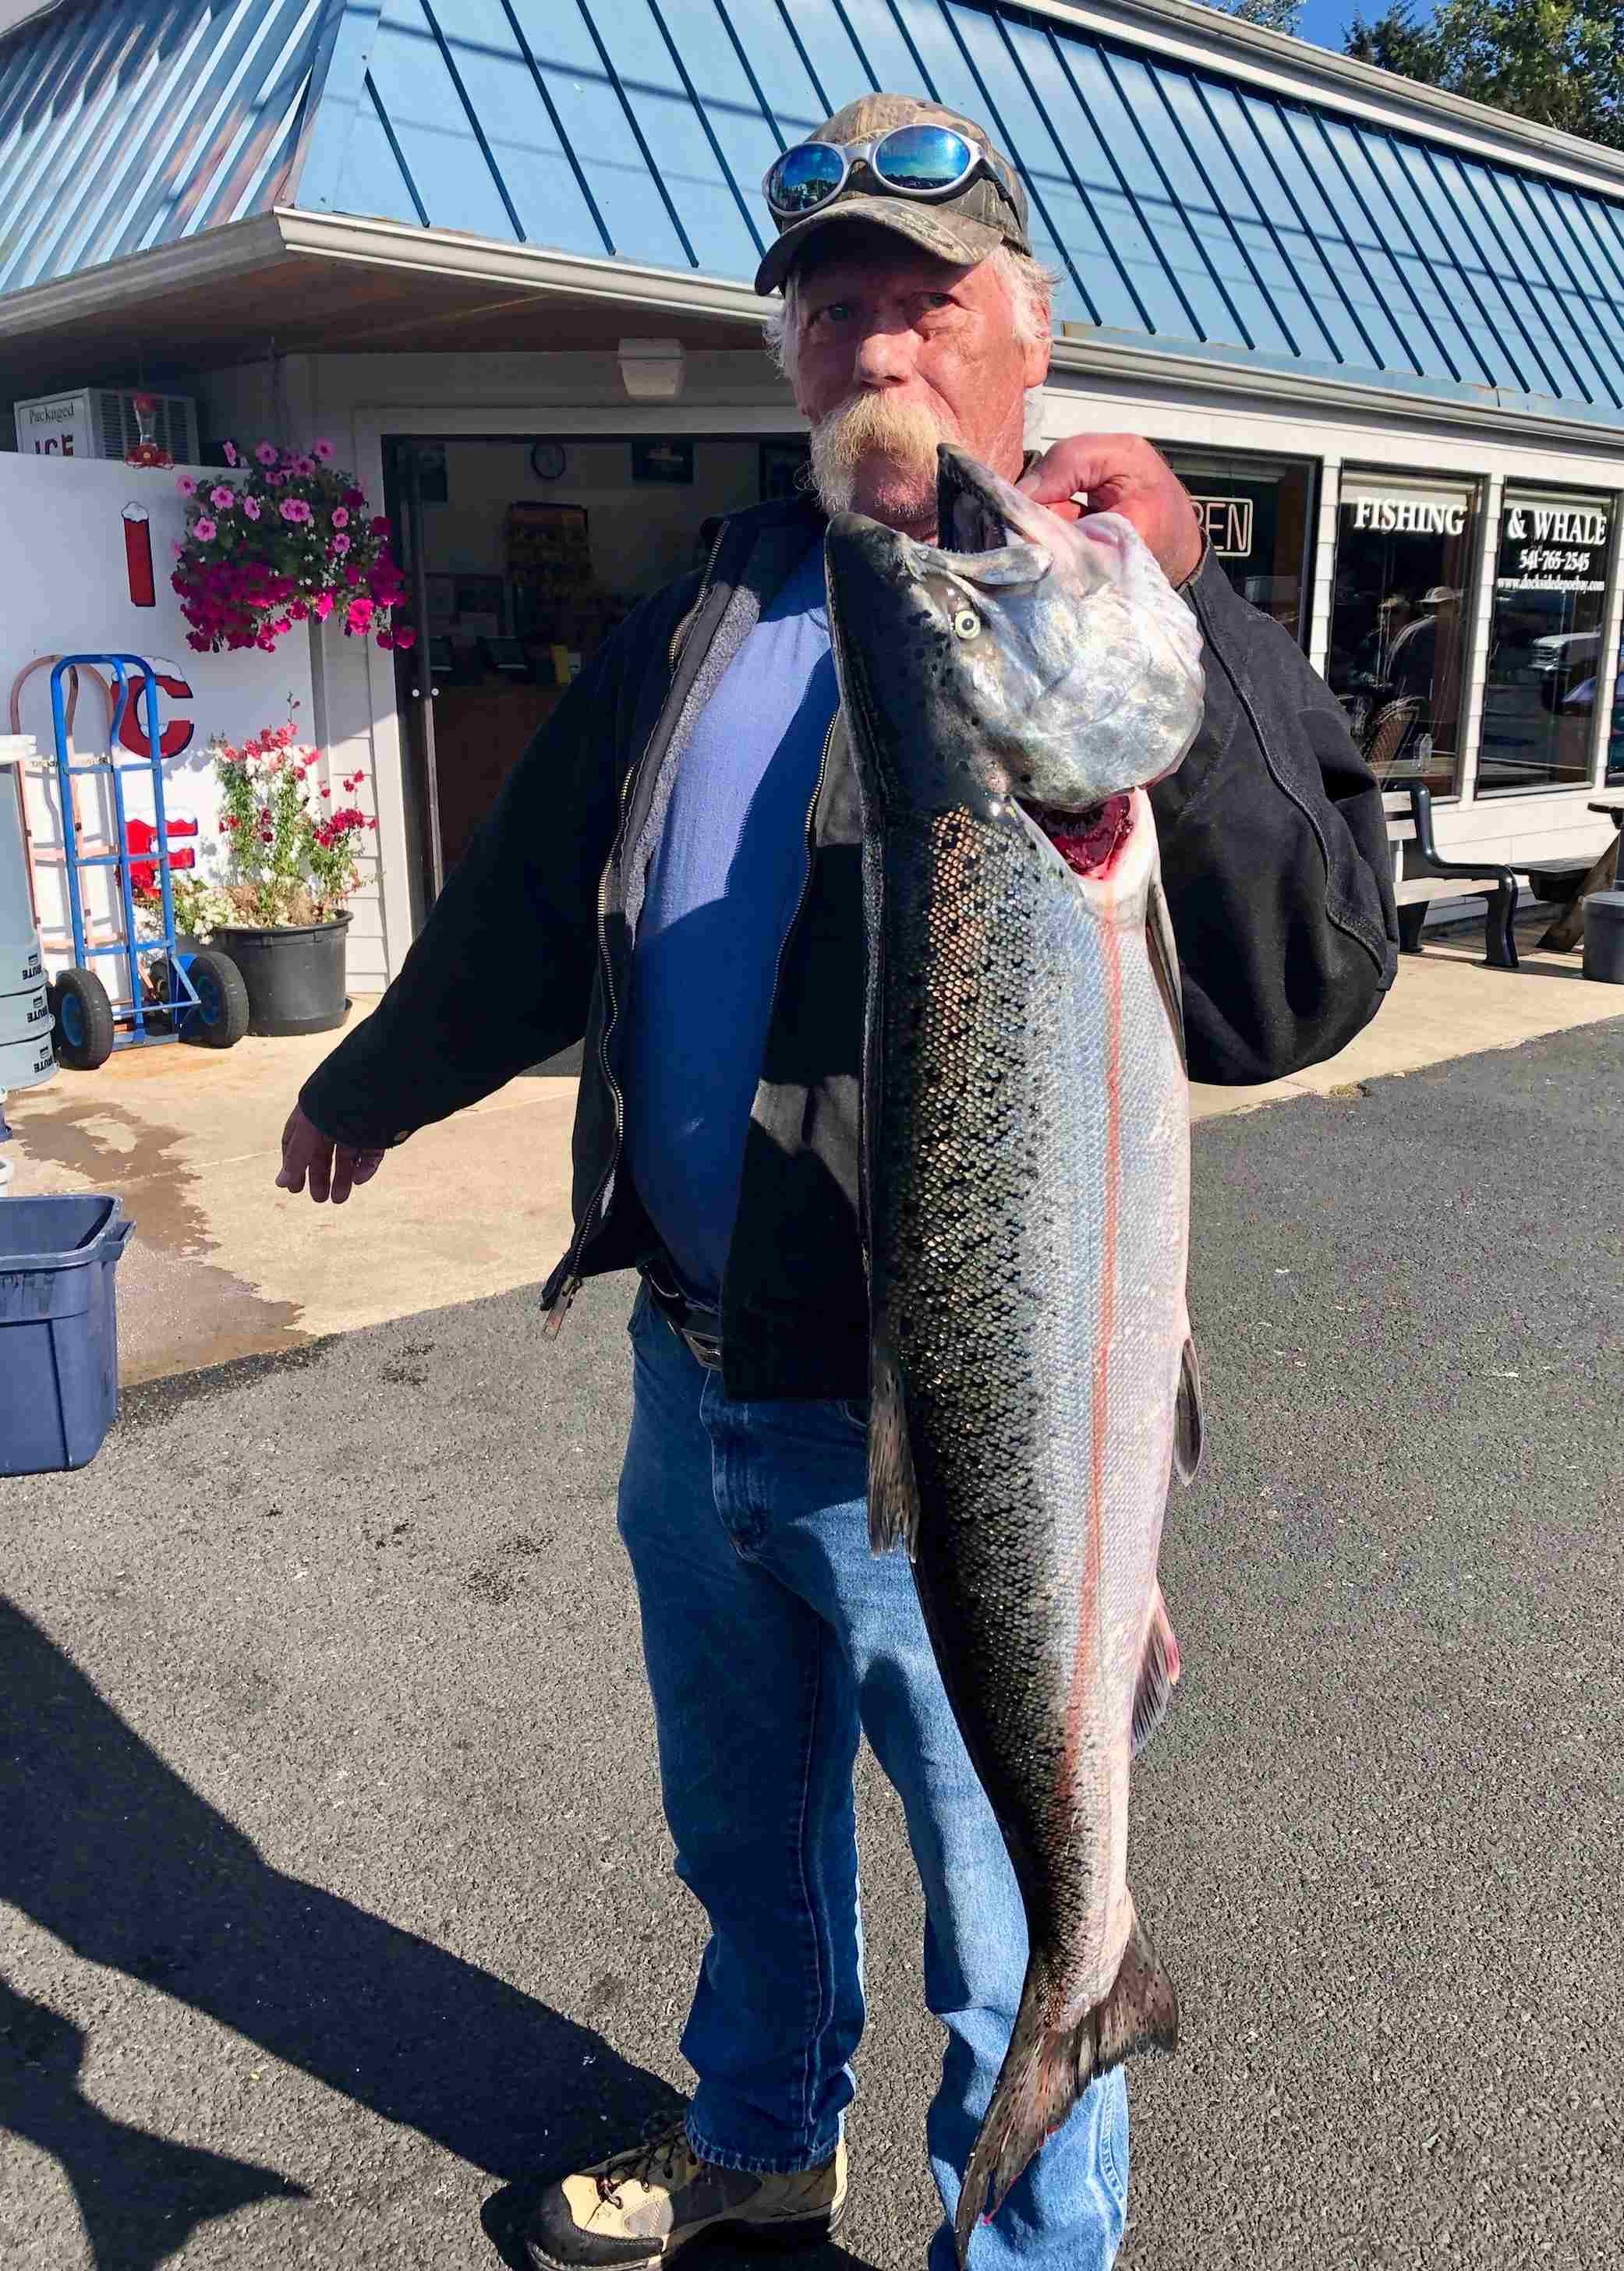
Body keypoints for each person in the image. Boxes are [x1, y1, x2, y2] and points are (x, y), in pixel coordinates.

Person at [277, 96, 1398, 2271]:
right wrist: (378, 1073)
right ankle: (765, 2136)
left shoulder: (1061, 598)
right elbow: (528, 897)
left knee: (1018, 1916)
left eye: (925, 300)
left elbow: (1295, 977)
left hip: (950, 1429)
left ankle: (1027, 2244)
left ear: (1022, 329)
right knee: (744, 1847)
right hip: (687, 1375)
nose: (875, 348)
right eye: (832, 309)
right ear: (785, 351)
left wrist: (1193, 600)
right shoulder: (717, 594)